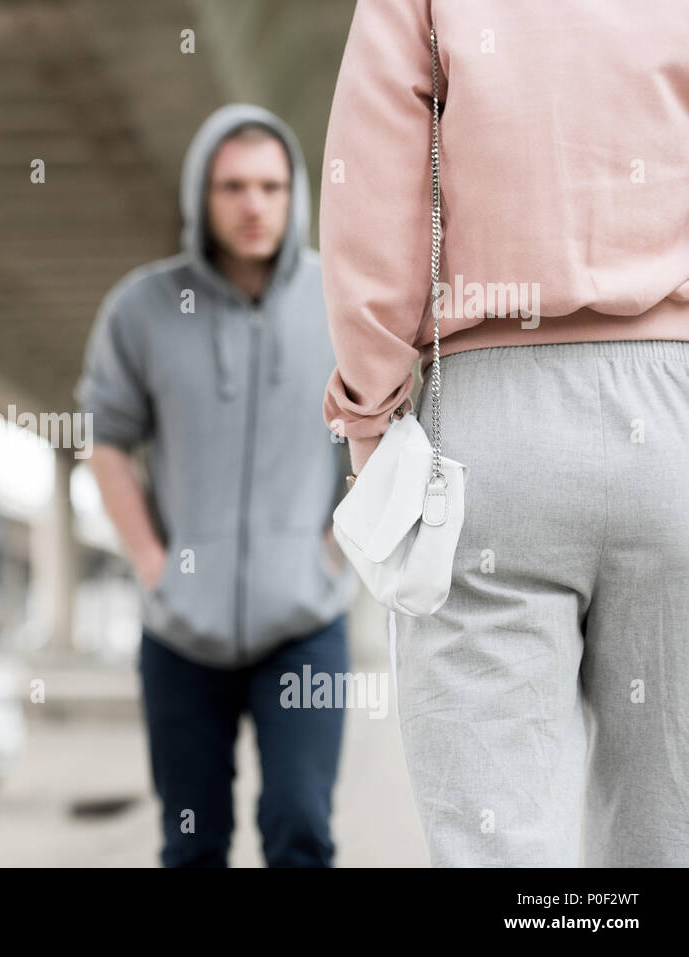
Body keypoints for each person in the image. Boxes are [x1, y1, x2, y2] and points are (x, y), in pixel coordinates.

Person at [320, 0, 689, 866]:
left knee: (500, 846)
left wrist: (371, 420)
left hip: (486, 440)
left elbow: (371, 191)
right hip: (675, 424)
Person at [77, 103, 357, 867]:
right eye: (232, 185)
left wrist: (334, 554)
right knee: (192, 843)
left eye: (270, 185)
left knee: (301, 825)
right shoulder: (144, 307)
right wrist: (150, 562)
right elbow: (101, 437)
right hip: (180, 630)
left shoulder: (342, 299)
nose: (253, 204)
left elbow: (389, 431)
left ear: (295, 192)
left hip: (307, 622)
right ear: (202, 195)